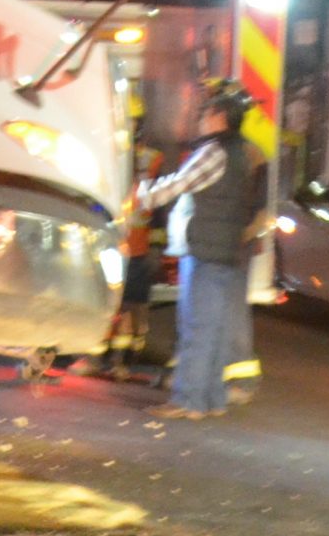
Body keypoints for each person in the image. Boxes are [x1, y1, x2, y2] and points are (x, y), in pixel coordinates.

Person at [140, 84, 262, 419]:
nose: (201, 120)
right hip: (227, 252)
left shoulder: (213, 152)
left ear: (220, 117)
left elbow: (179, 184)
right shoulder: (242, 153)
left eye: (205, 114)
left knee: (197, 328)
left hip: (205, 251)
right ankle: (212, 400)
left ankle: (188, 400)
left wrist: (142, 195)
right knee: (216, 330)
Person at [100, 145, 166, 377]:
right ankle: (113, 359)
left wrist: (155, 249)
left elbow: (157, 215)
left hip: (137, 252)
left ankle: (124, 360)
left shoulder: (149, 165)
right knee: (118, 305)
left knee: (131, 307)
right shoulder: (120, 168)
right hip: (121, 250)